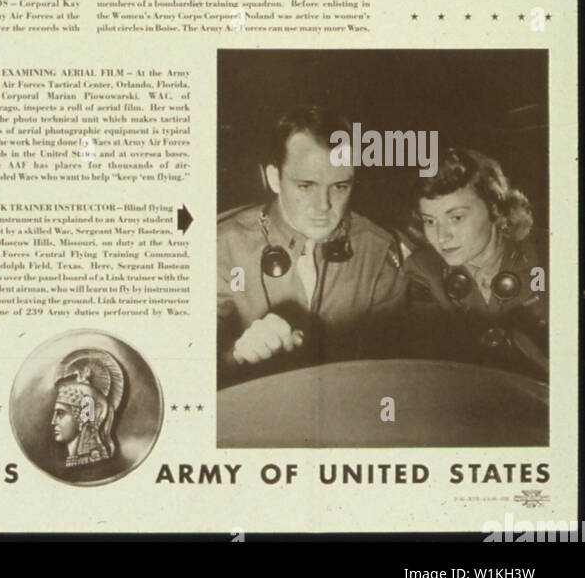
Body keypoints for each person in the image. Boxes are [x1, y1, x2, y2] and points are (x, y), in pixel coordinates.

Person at [217, 106, 404, 387]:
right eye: (306, 186)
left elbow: (391, 372)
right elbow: (185, 365)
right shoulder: (224, 245)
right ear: (273, 178)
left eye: (340, 186)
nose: (324, 206)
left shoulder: (377, 251)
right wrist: (236, 355)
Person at [401, 148, 547, 378]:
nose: (442, 236)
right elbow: (432, 370)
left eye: (456, 218)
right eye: (430, 221)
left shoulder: (549, 252)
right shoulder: (423, 272)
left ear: (495, 208)